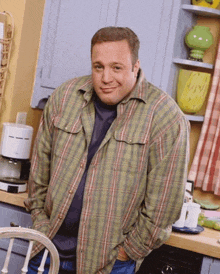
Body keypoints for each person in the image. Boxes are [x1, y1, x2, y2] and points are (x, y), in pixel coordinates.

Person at [25, 26, 190, 274]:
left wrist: (128, 252)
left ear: (135, 66)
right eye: (98, 66)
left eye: (117, 67)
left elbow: (164, 206)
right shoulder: (64, 97)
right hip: (46, 250)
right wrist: (40, 221)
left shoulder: (165, 118)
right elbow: (39, 170)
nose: (105, 78)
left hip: (110, 264)